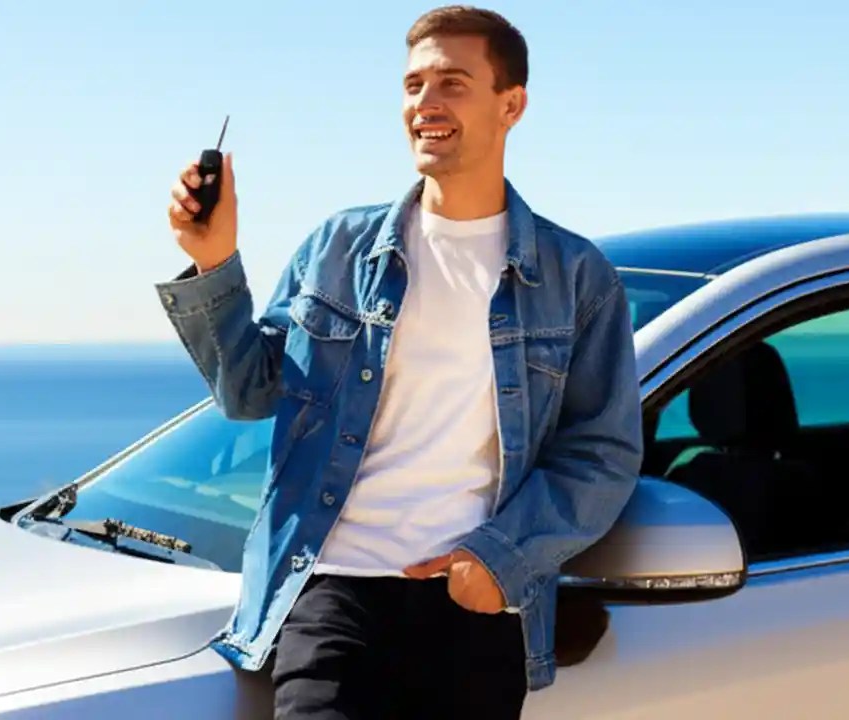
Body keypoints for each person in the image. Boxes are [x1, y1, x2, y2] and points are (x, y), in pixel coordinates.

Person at [157, 6, 642, 718]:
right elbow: (253, 393)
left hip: (473, 610)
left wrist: (498, 562)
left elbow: (601, 453)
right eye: (414, 85)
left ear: (511, 105)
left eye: (452, 82)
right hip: (334, 593)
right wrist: (213, 261)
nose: (426, 104)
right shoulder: (338, 248)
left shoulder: (575, 278)